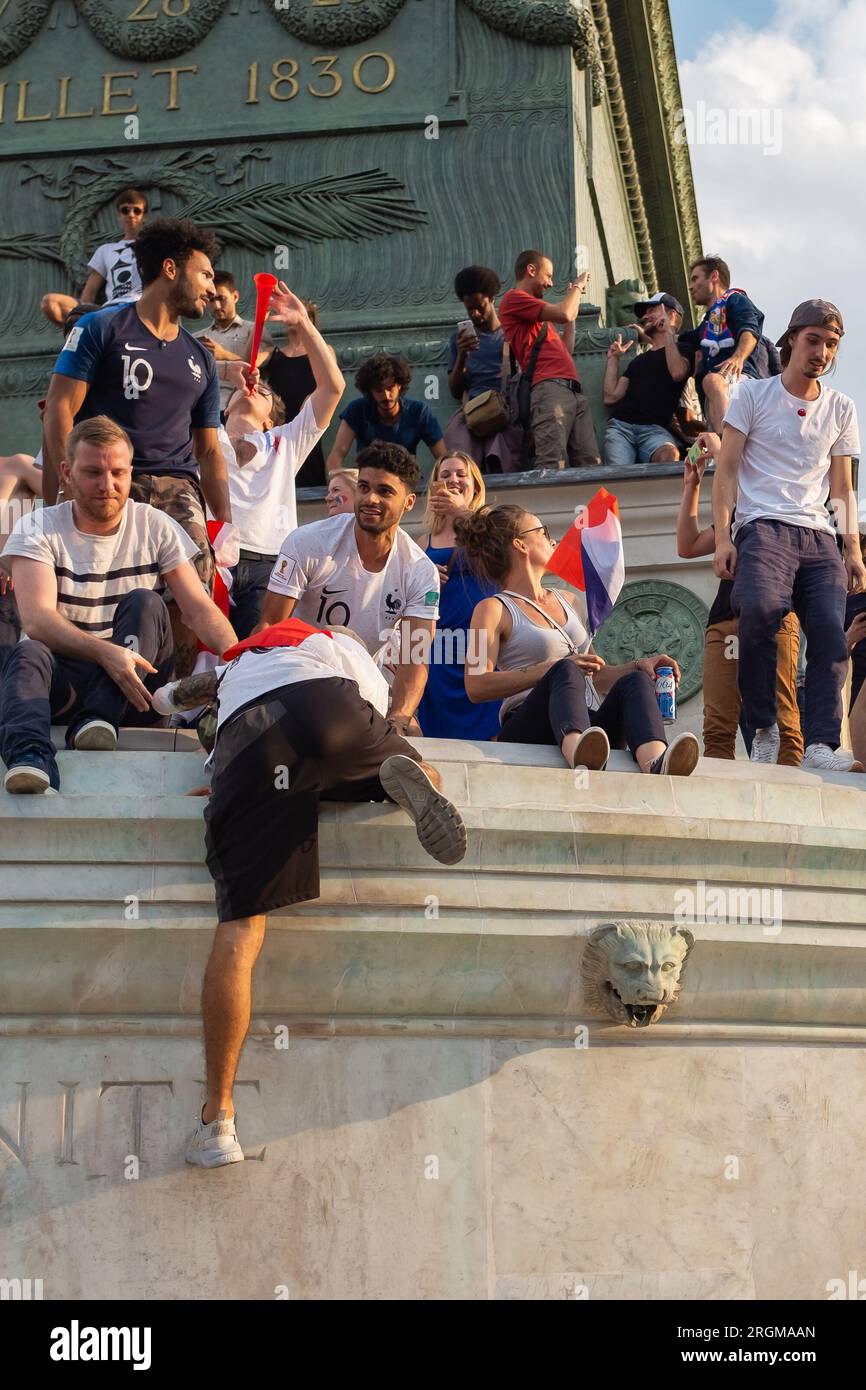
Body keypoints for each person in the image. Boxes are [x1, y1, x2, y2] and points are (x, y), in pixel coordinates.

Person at [149, 621, 466, 1166]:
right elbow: (373, 698)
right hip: (331, 709)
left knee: (241, 930)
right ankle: (413, 783)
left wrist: (231, 786)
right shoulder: (335, 644)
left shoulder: (233, 666)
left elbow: (165, 699)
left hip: (248, 743)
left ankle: (218, 1120)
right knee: (405, 761)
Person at [0, 416, 236, 794]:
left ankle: (100, 720)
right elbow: (38, 618)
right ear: (66, 472)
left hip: (135, 686)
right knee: (29, 652)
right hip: (71, 680)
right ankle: (29, 759)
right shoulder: (36, 527)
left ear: (130, 473)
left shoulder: (155, 524)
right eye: (93, 472)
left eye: (117, 473)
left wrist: (245, 658)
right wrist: (105, 653)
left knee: (146, 603)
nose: (107, 485)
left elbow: (198, 609)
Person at [42, 217, 229, 676]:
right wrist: (58, 497)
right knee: (91, 596)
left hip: (177, 488)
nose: (212, 288)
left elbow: (208, 452)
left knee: (192, 598)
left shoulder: (200, 357)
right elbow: (60, 412)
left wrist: (225, 527)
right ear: (171, 269)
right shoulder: (100, 327)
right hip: (107, 480)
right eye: (205, 274)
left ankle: (171, 698)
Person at [713, 299, 865, 771]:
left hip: (819, 536)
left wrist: (853, 548)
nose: (821, 352)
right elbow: (728, 469)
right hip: (762, 528)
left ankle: (821, 744)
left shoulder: (841, 407)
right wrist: (723, 536)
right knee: (756, 610)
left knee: (830, 636)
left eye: (831, 344)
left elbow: (842, 487)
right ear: (792, 340)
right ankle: (764, 725)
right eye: (814, 340)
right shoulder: (754, 395)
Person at [458, 505, 699, 775]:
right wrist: (549, 670)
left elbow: (597, 675)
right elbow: (475, 685)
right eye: (542, 531)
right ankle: (579, 753)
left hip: (588, 719)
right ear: (520, 544)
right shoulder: (491, 609)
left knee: (635, 682)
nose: (553, 540)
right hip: (530, 723)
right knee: (565, 668)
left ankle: (656, 761)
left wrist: (640, 665)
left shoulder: (569, 600)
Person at [257, 440, 439, 736]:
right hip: (298, 671)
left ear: (409, 502)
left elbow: (414, 658)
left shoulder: (421, 571)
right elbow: (269, 625)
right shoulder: (307, 542)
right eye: (364, 488)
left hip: (363, 683)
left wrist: (399, 718)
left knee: (412, 734)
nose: (370, 499)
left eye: (384, 491)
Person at [219, 285, 345, 638]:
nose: (252, 387)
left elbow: (332, 388)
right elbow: (173, 376)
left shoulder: (285, 441)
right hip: (211, 561)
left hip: (270, 568)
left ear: (270, 420)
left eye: (263, 390)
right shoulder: (203, 437)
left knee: (255, 655)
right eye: (241, 390)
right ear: (225, 408)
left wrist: (303, 323)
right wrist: (228, 369)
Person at [676, 432, 802, 763]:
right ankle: (722, 803)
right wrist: (692, 485)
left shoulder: (781, 502)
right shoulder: (732, 515)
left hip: (771, 619)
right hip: (725, 622)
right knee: (717, 726)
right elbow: (687, 546)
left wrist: (721, 452)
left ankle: (790, 799)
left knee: (782, 719)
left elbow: (742, 482)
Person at [415, 453, 501, 740]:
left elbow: (504, 553)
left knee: (488, 711)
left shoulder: (490, 525)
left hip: (483, 640)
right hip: (439, 644)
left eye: (461, 474)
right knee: (438, 726)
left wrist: (463, 512)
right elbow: (406, 596)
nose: (453, 480)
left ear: (474, 485)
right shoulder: (422, 542)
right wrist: (426, 580)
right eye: (445, 474)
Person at [499, 249, 600, 470]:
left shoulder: (537, 316)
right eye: (548, 275)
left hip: (572, 390)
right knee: (551, 462)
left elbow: (566, 348)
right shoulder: (513, 299)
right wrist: (577, 286)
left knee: (590, 464)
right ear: (531, 270)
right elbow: (564, 313)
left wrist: (572, 311)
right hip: (549, 389)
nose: (551, 283)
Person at [443, 264, 524, 474]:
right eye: (470, 308)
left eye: (480, 306)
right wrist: (461, 355)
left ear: (492, 300)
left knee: (499, 452)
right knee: (459, 450)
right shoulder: (458, 340)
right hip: (473, 410)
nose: (475, 314)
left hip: (505, 408)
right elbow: (455, 390)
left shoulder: (510, 333)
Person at [677, 255, 764, 435]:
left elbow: (749, 329)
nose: (690, 286)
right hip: (715, 397)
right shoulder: (708, 324)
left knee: (712, 380)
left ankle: (726, 447)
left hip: (740, 382)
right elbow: (685, 340)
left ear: (714, 276)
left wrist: (738, 357)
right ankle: (723, 450)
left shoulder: (736, 300)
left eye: (695, 278)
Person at [603, 292, 691, 466]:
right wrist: (614, 359)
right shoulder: (639, 360)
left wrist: (667, 331)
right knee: (616, 479)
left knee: (670, 455)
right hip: (621, 428)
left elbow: (677, 373)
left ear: (671, 314)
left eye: (652, 310)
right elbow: (610, 396)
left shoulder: (684, 349)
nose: (645, 316)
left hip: (655, 431)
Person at [40, 187, 147, 328]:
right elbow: (88, 295)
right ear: (119, 215)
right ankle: (87, 337)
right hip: (112, 311)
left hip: (142, 307)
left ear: (144, 216)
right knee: (50, 303)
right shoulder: (106, 250)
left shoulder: (152, 246)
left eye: (137, 210)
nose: (131, 215)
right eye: (125, 210)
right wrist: (80, 314)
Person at [325, 353, 446, 475]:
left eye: (390, 388)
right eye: (378, 390)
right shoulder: (356, 410)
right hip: (369, 480)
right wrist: (340, 482)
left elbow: (442, 456)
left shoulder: (419, 411)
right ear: (370, 391)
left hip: (406, 479)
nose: (386, 396)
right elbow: (337, 454)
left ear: (399, 385)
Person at [261, 297, 336, 488]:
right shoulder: (273, 353)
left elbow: (331, 380)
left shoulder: (324, 350)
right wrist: (260, 322)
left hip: (307, 421)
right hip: (279, 424)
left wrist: (310, 404)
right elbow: (248, 365)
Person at [194, 269, 272, 417]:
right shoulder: (197, 338)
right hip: (205, 411)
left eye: (221, 298)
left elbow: (255, 369)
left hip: (242, 411)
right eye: (211, 300)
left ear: (235, 296)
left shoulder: (254, 329)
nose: (216, 306)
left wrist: (224, 354)